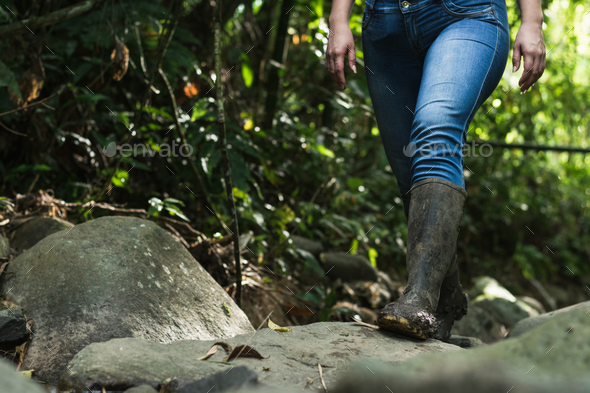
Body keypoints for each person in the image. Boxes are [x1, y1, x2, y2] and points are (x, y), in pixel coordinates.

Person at [326, 0, 545, 341]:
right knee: (409, 174)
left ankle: (419, 298)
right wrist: (338, 18)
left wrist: (532, 20)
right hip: (385, 30)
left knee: (435, 131)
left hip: (468, 15)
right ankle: (447, 296)